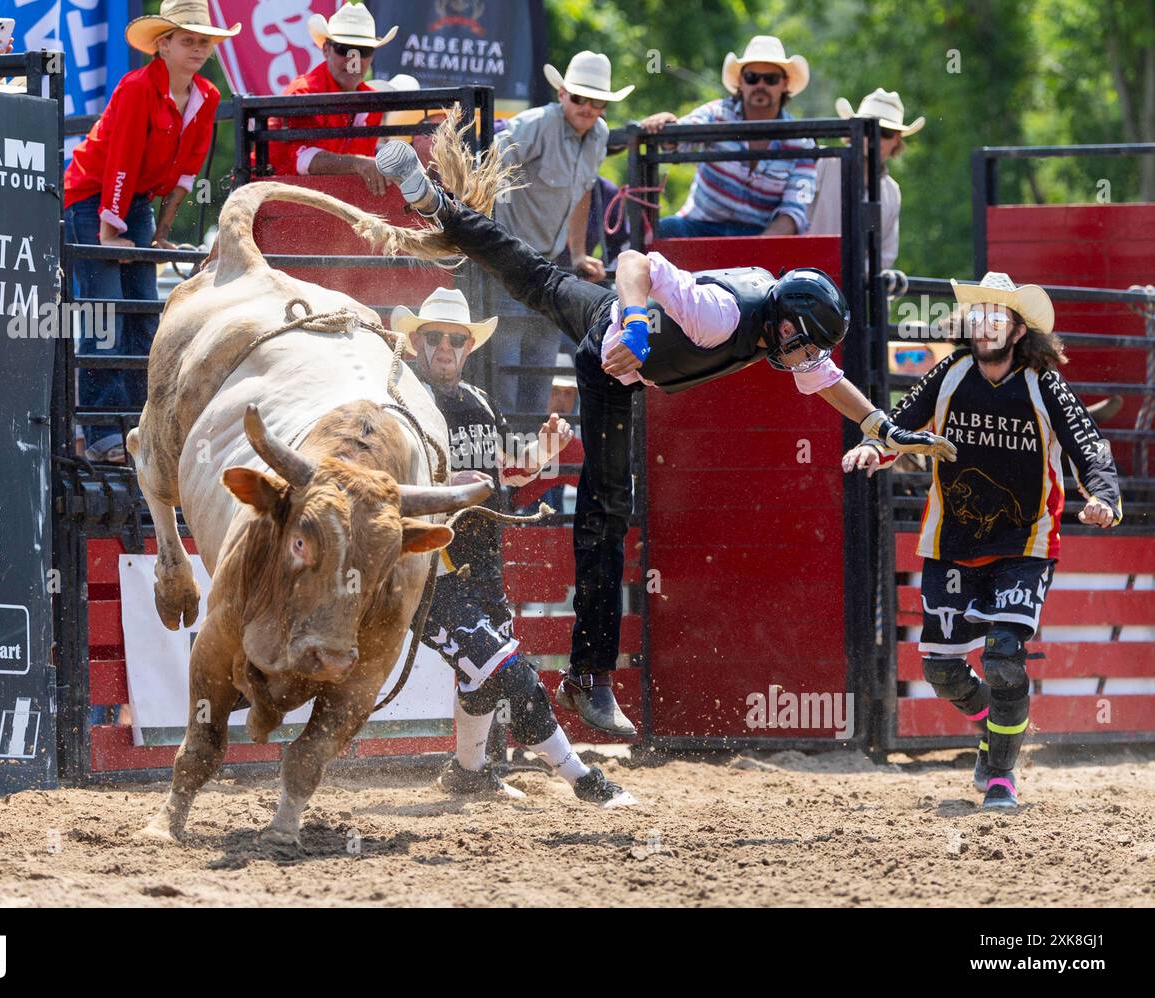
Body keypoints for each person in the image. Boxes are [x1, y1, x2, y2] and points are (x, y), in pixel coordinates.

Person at [377, 140, 957, 736]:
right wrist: (631, 321)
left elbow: (827, 379)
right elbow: (636, 263)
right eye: (804, 343)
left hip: (615, 325)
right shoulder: (723, 316)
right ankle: (589, 676)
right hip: (614, 360)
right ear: (784, 323)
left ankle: (436, 204)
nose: (806, 357)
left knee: (532, 275)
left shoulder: (781, 325)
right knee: (606, 510)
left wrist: (880, 425)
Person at [842, 273, 1123, 809]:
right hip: (951, 541)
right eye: (980, 312)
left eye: (999, 314)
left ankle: (1000, 776)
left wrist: (1104, 499)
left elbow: (1090, 447)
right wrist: (874, 450)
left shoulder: (1043, 383)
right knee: (942, 670)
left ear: (1019, 330)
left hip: (1025, 542)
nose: (986, 322)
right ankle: (997, 726)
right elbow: (902, 426)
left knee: (1002, 655)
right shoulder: (950, 372)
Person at [392, 288, 634, 807]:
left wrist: (542, 453)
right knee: (507, 669)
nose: (444, 348)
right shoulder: (402, 405)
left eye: (455, 339)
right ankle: (581, 779)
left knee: (480, 672)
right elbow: (389, 486)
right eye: (434, 337)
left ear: (467, 347)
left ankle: (468, 773)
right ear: (415, 343)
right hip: (426, 571)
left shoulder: (479, 403)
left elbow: (506, 475)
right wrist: (451, 482)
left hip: (482, 566)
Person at [62, 0, 237, 463]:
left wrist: (158, 233)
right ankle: (102, 431)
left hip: (131, 202)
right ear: (163, 45)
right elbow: (118, 159)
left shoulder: (207, 97)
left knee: (143, 314)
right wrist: (108, 230)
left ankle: (141, 426)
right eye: (188, 40)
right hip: (92, 199)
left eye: (204, 41)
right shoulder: (138, 87)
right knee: (107, 315)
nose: (198, 48)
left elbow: (186, 171)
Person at [490, 51, 633, 422]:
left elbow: (583, 191)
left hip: (549, 266)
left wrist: (579, 253)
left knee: (538, 370)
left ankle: (528, 468)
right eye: (579, 97)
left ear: (604, 106)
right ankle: (503, 463)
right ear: (562, 95)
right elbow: (485, 171)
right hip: (508, 263)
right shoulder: (534, 125)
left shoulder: (598, 135)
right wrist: (491, 243)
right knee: (504, 372)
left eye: (596, 100)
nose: (587, 107)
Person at [640, 36, 815, 238]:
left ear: (785, 84)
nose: (760, 85)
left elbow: (794, 211)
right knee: (665, 230)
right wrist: (667, 125)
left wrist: (759, 248)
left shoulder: (802, 142)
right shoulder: (716, 114)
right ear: (741, 81)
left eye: (770, 79)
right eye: (752, 77)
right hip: (700, 226)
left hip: (760, 235)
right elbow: (681, 137)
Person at [265, 3, 397, 195]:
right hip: (277, 203)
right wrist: (358, 164)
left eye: (364, 51)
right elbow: (301, 159)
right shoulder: (302, 94)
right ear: (326, 49)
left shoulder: (372, 103)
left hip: (328, 206)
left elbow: (365, 172)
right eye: (345, 49)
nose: (354, 60)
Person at [806, 89, 925, 270]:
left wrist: (853, 275)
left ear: (896, 140)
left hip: (852, 292)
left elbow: (885, 256)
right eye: (867, 128)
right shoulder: (821, 162)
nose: (873, 136)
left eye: (884, 132)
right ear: (854, 129)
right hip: (804, 281)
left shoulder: (892, 193)